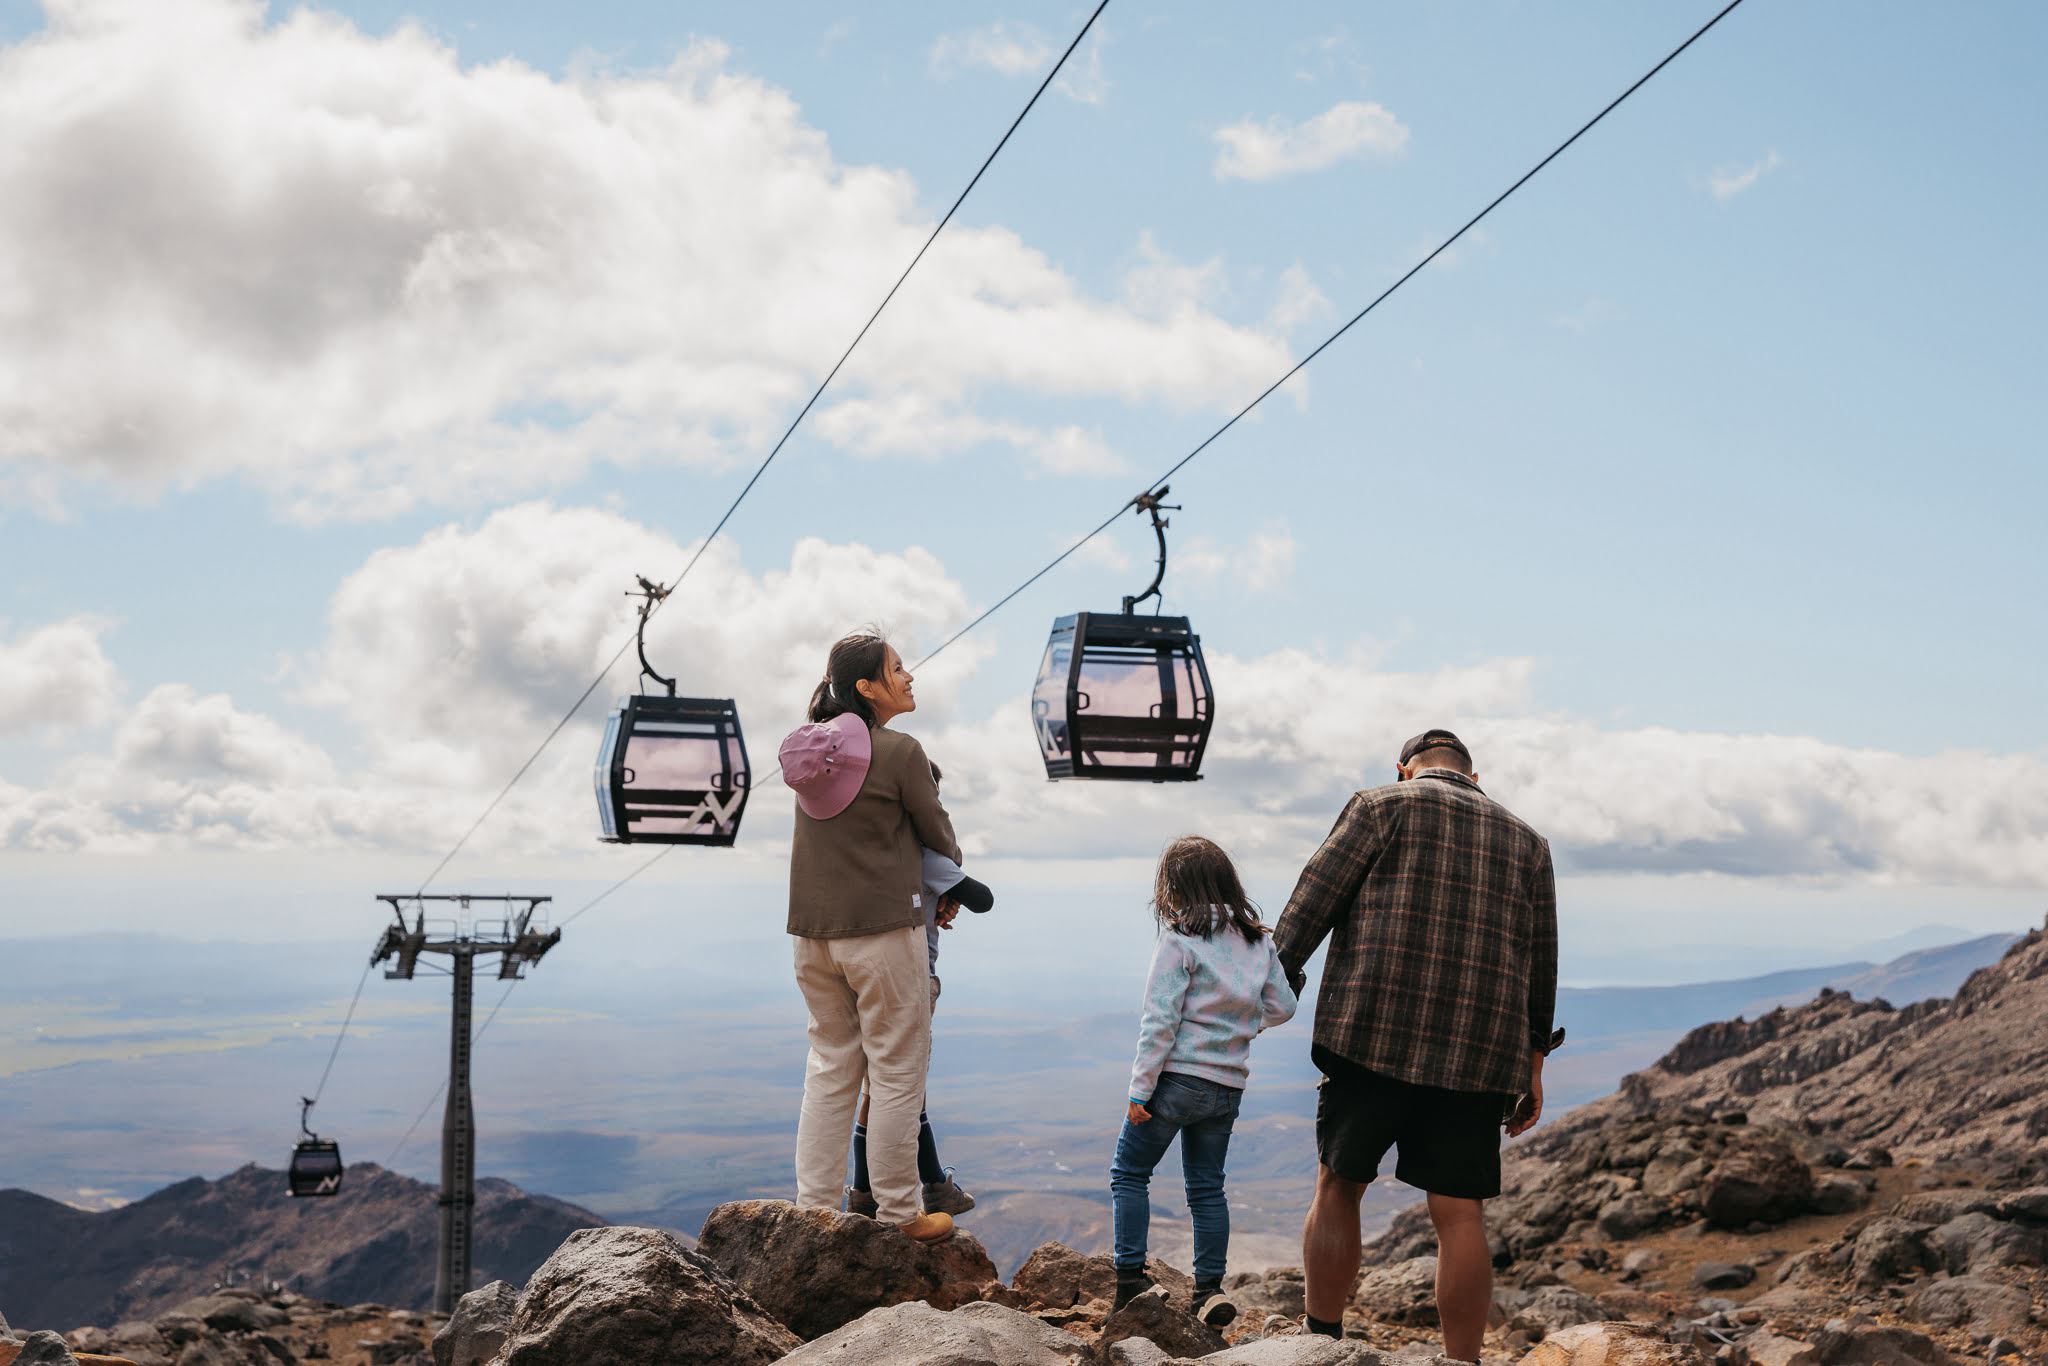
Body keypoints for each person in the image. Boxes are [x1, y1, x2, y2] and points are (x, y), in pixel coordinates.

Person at [1273, 729, 1559, 1359]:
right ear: (1474, 777)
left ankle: (1321, 1342)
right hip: (1479, 1057)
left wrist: (1272, 987)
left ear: (1404, 770)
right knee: (1459, 1216)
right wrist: (1533, 1066)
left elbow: (1309, 906)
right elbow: (1541, 966)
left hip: (1371, 1035)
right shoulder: (1528, 844)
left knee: (1339, 1185)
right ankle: (1462, 1361)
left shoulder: (1378, 806)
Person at [781, 630, 962, 1244]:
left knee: (830, 1067)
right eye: (897, 668)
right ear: (868, 687)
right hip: (883, 933)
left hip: (811, 936)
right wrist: (952, 883)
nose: (909, 677)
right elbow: (936, 831)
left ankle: (811, 1212)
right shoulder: (901, 752)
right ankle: (897, 1214)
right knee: (896, 1071)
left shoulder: (814, 755)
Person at [1110, 835, 1298, 1327]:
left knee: (1129, 1173)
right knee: (1207, 1188)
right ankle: (1209, 1290)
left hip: (1175, 1080)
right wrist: (1243, 1026)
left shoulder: (1178, 941)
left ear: (1173, 888)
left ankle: (1129, 1280)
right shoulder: (1259, 941)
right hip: (1227, 1086)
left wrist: (1139, 1089)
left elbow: (1159, 1022)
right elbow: (1284, 1006)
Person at [845, 761, 993, 1220]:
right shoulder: (924, 856)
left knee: (880, 1088)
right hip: (909, 981)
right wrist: (951, 876)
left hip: (860, 976)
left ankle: (868, 1192)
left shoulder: (860, 849)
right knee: (905, 1090)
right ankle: (928, 1186)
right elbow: (984, 899)